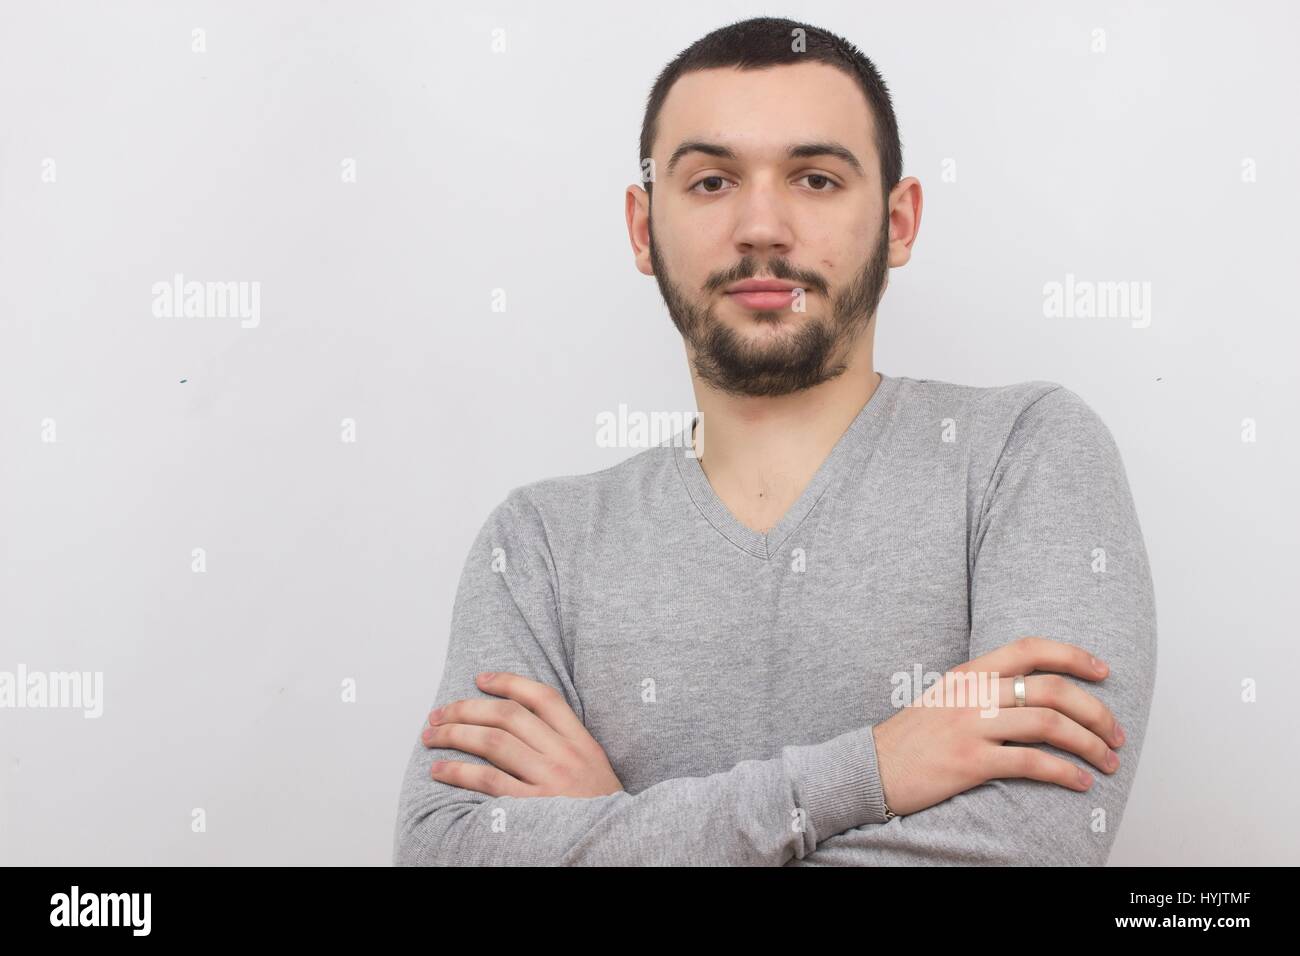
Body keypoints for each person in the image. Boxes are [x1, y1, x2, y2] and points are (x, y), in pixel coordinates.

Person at [392, 16, 1156, 866]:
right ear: (643, 229)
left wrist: (612, 825)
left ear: (899, 223)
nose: (762, 227)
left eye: (816, 179)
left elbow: (1028, 851)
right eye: (713, 182)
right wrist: (869, 772)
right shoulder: (536, 543)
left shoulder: (1026, 456)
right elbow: (448, 853)